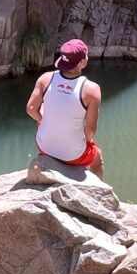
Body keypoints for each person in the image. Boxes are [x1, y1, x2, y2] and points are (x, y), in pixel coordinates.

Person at [26, 37, 104, 178]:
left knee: (43, 107)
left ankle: (48, 156)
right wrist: (74, 143)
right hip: (73, 156)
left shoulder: (45, 78)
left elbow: (31, 109)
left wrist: (43, 121)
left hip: (44, 147)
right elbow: (91, 131)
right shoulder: (91, 90)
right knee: (97, 157)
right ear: (82, 62)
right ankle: (98, 187)